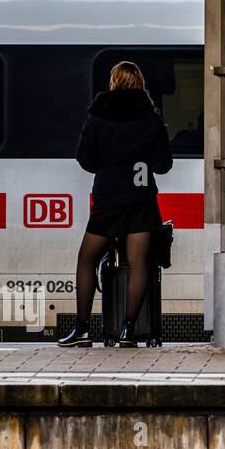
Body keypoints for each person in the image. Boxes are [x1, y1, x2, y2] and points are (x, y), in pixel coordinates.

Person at [57, 62, 173, 347]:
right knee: (139, 264)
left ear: (113, 82)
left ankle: (83, 329)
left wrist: (108, 164)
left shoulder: (98, 116)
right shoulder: (152, 118)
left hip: (108, 200)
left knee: (87, 259)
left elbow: (86, 159)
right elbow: (163, 165)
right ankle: (128, 331)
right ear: (140, 83)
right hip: (141, 200)